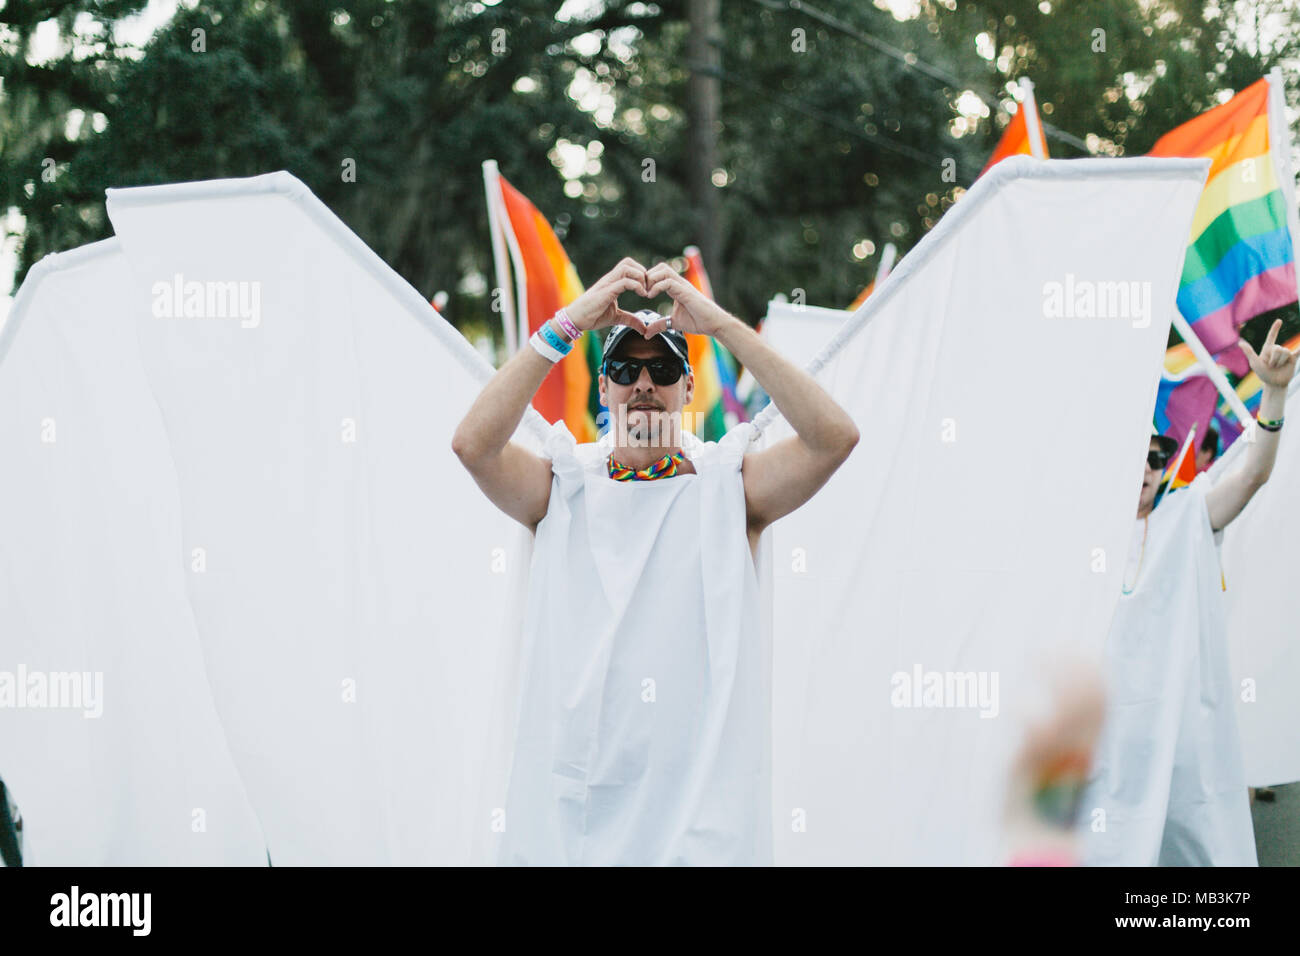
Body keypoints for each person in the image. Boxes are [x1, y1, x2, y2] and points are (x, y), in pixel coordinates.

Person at [451, 257, 859, 865]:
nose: (644, 383)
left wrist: (718, 325)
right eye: (625, 368)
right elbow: (472, 444)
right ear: (604, 386)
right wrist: (566, 326)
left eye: (664, 368)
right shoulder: (561, 489)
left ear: (688, 388)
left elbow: (835, 437)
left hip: (698, 826)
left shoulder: (730, 488)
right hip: (576, 821)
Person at [1079, 319, 1296, 866]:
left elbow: (1252, 477)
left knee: (1195, 872)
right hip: (1101, 741)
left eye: (1157, 458)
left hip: (1179, 735)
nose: (1147, 469)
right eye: (1137, 457)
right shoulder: (1079, 535)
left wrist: (1272, 394)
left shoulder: (1187, 515)